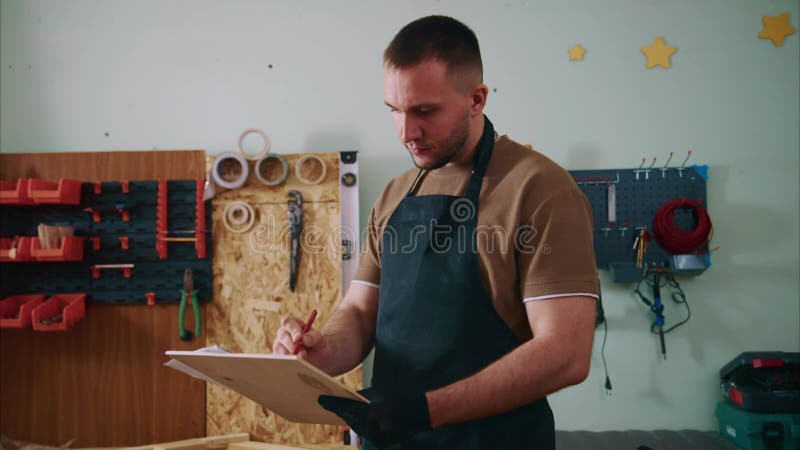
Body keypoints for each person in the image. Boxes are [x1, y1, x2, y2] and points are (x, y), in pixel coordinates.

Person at [273, 15, 598, 449]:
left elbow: (566, 355)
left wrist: (426, 411)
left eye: (425, 111)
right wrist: (320, 350)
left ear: (476, 99)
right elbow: (359, 314)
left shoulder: (539, 189)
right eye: (396, 111)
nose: (407, 132)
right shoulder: (395, 195)